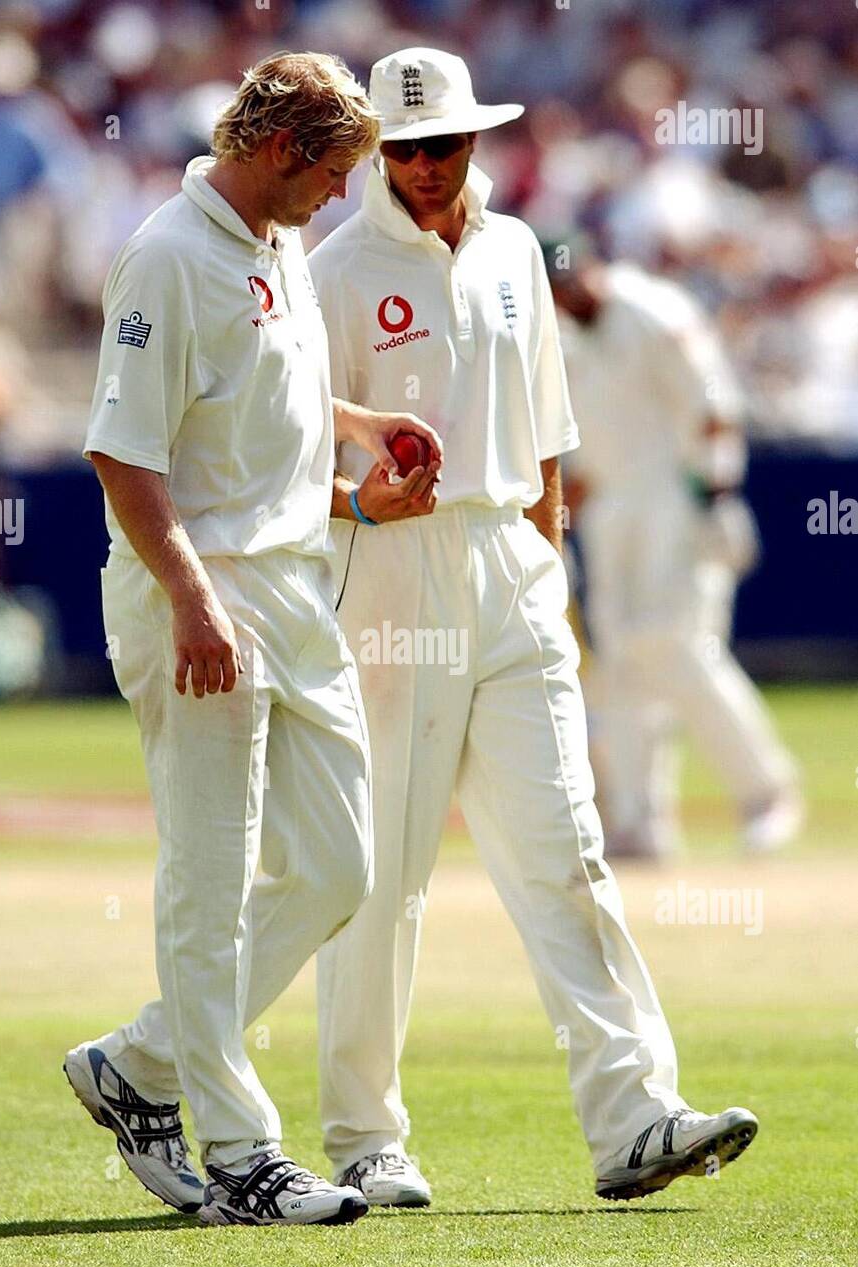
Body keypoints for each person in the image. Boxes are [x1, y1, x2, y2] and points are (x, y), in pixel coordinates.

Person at [308, 48, 759, 1207]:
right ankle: (365, 1136)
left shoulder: (515, 253)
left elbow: (549, 437)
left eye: (438, 145)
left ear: (475, 141)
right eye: (397, 148)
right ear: (372, 151)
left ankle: (634, 1117)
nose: (418, 168)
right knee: (382, 871)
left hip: (508, 562)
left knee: (566, 848)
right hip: (392, 576)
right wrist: (365, 505)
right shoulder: (335, 267)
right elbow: (293, 448)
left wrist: (544, 571)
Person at [64, 52, 442, 1229]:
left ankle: (142, 1062)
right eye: (332, 173)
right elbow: (125, 452)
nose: (339, 198)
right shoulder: (167, 257)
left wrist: (361, 430)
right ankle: (240, 1154)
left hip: (291, 588)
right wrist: (190, 598)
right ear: (281, 150)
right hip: (203, 601)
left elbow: (252, 398)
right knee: (209, 879)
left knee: (339, 864)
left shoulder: (271, 243)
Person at [550, 247, 802, 858]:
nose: (564, 295)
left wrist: (718, 498)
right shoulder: (558, 334)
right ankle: (640, 823)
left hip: (676, 501)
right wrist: (553, 527)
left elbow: (713, 408)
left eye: (567, 280)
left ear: (586, 267)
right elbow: (579, 455)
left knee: (679, 647)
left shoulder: (652, 309)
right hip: (613, 517)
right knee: (621, 666)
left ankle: (767, 792)